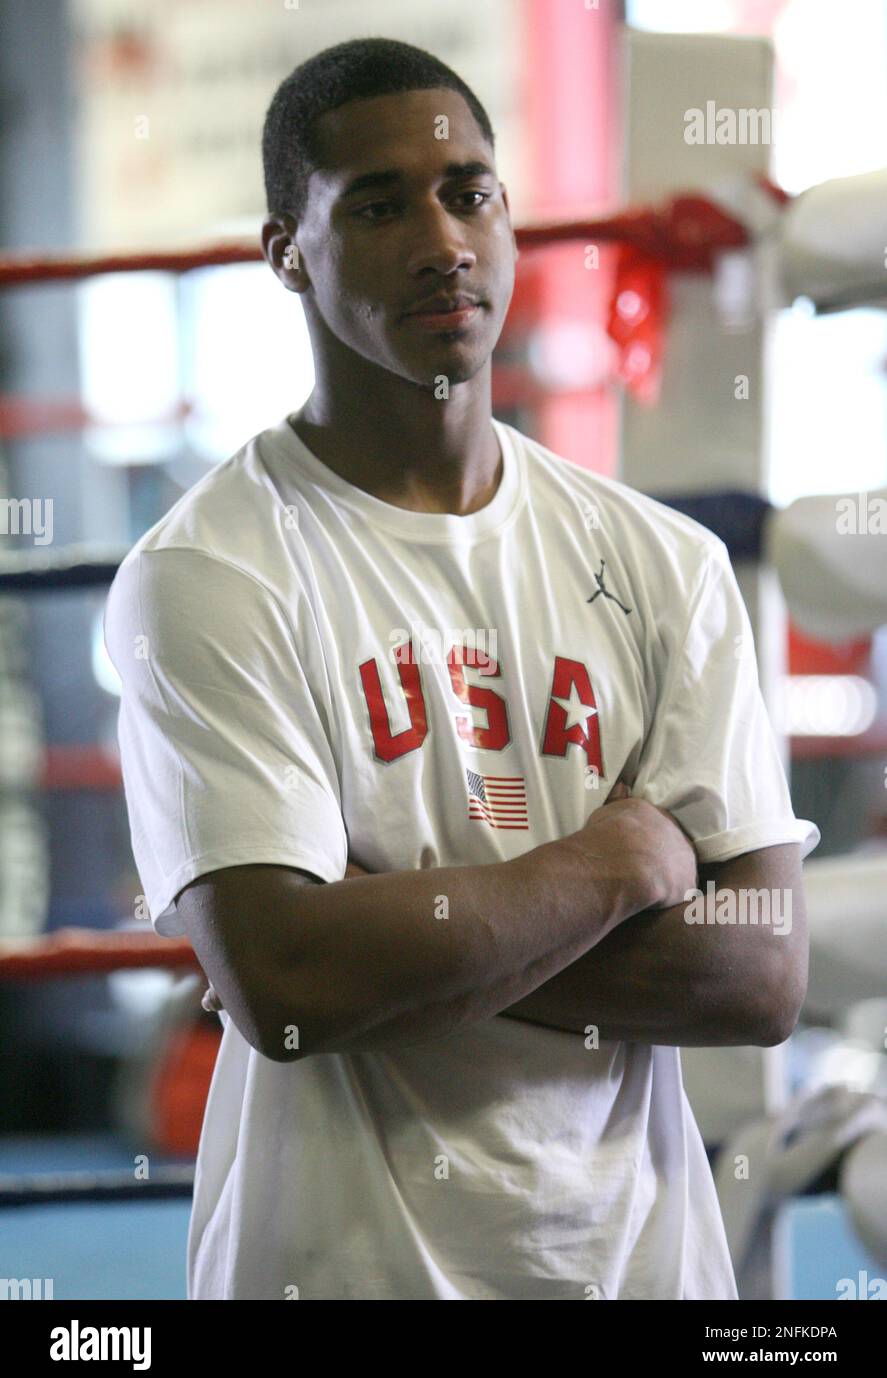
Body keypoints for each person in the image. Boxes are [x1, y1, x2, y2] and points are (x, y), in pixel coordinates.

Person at [103, 36, 820, 1301]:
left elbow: (758, 971)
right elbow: (287, 983)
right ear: (287, 253)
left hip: (637, 1268)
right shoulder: (208, 573)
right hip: (338, 1272)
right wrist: (612, 867)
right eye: (378, 204)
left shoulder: (663, 562)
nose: (441, 239)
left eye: (468, 191)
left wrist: (394, 930)